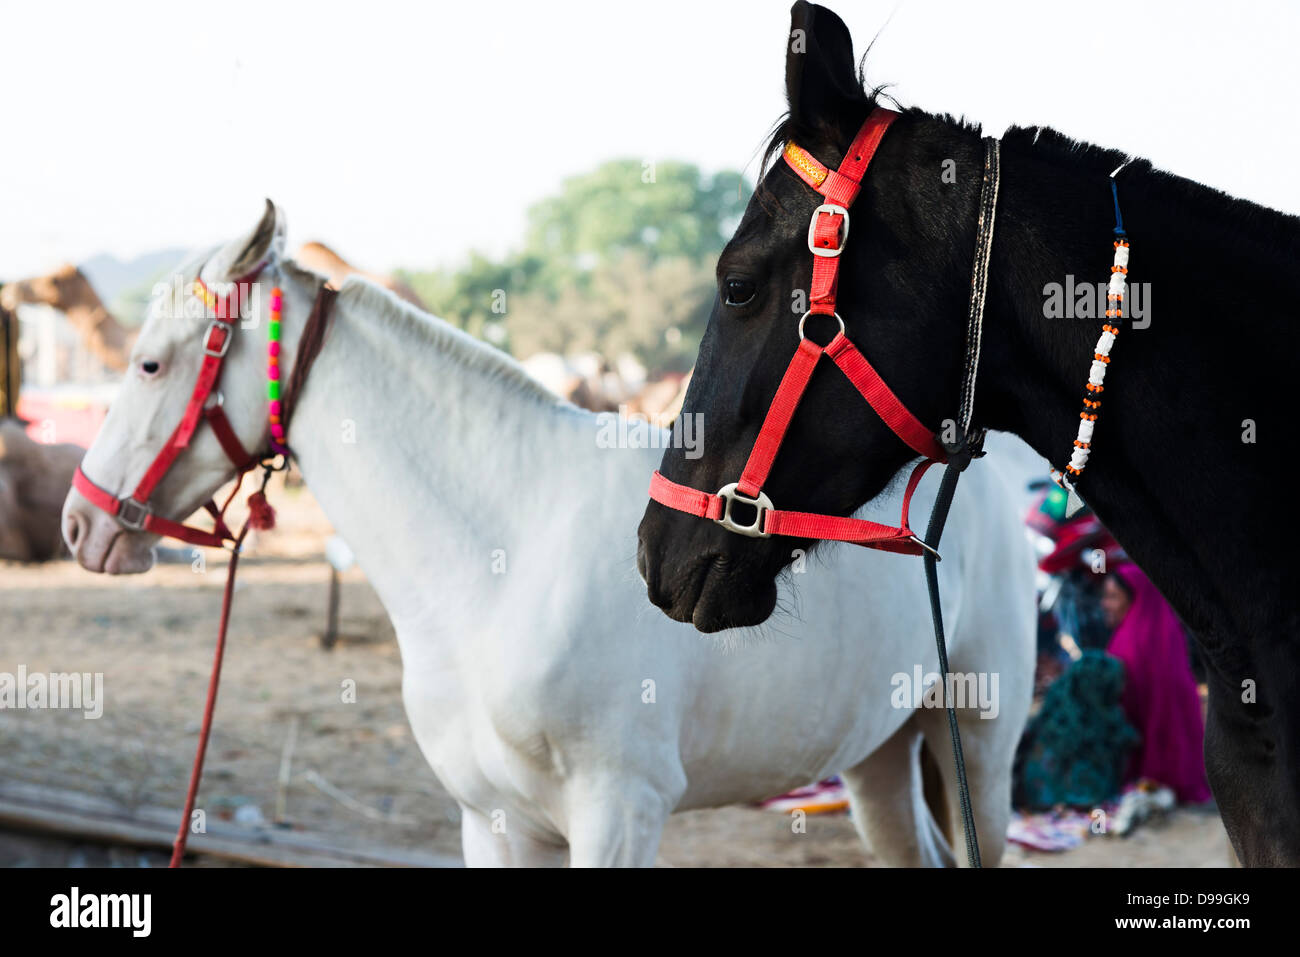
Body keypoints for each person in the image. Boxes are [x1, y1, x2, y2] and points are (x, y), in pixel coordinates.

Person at [1102, 563, 1212, 803]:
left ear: (1135, 597)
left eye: (1113, 597)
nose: (1105, 605)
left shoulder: (1135, 641)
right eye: (1105, 596)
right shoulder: (1161, 633)